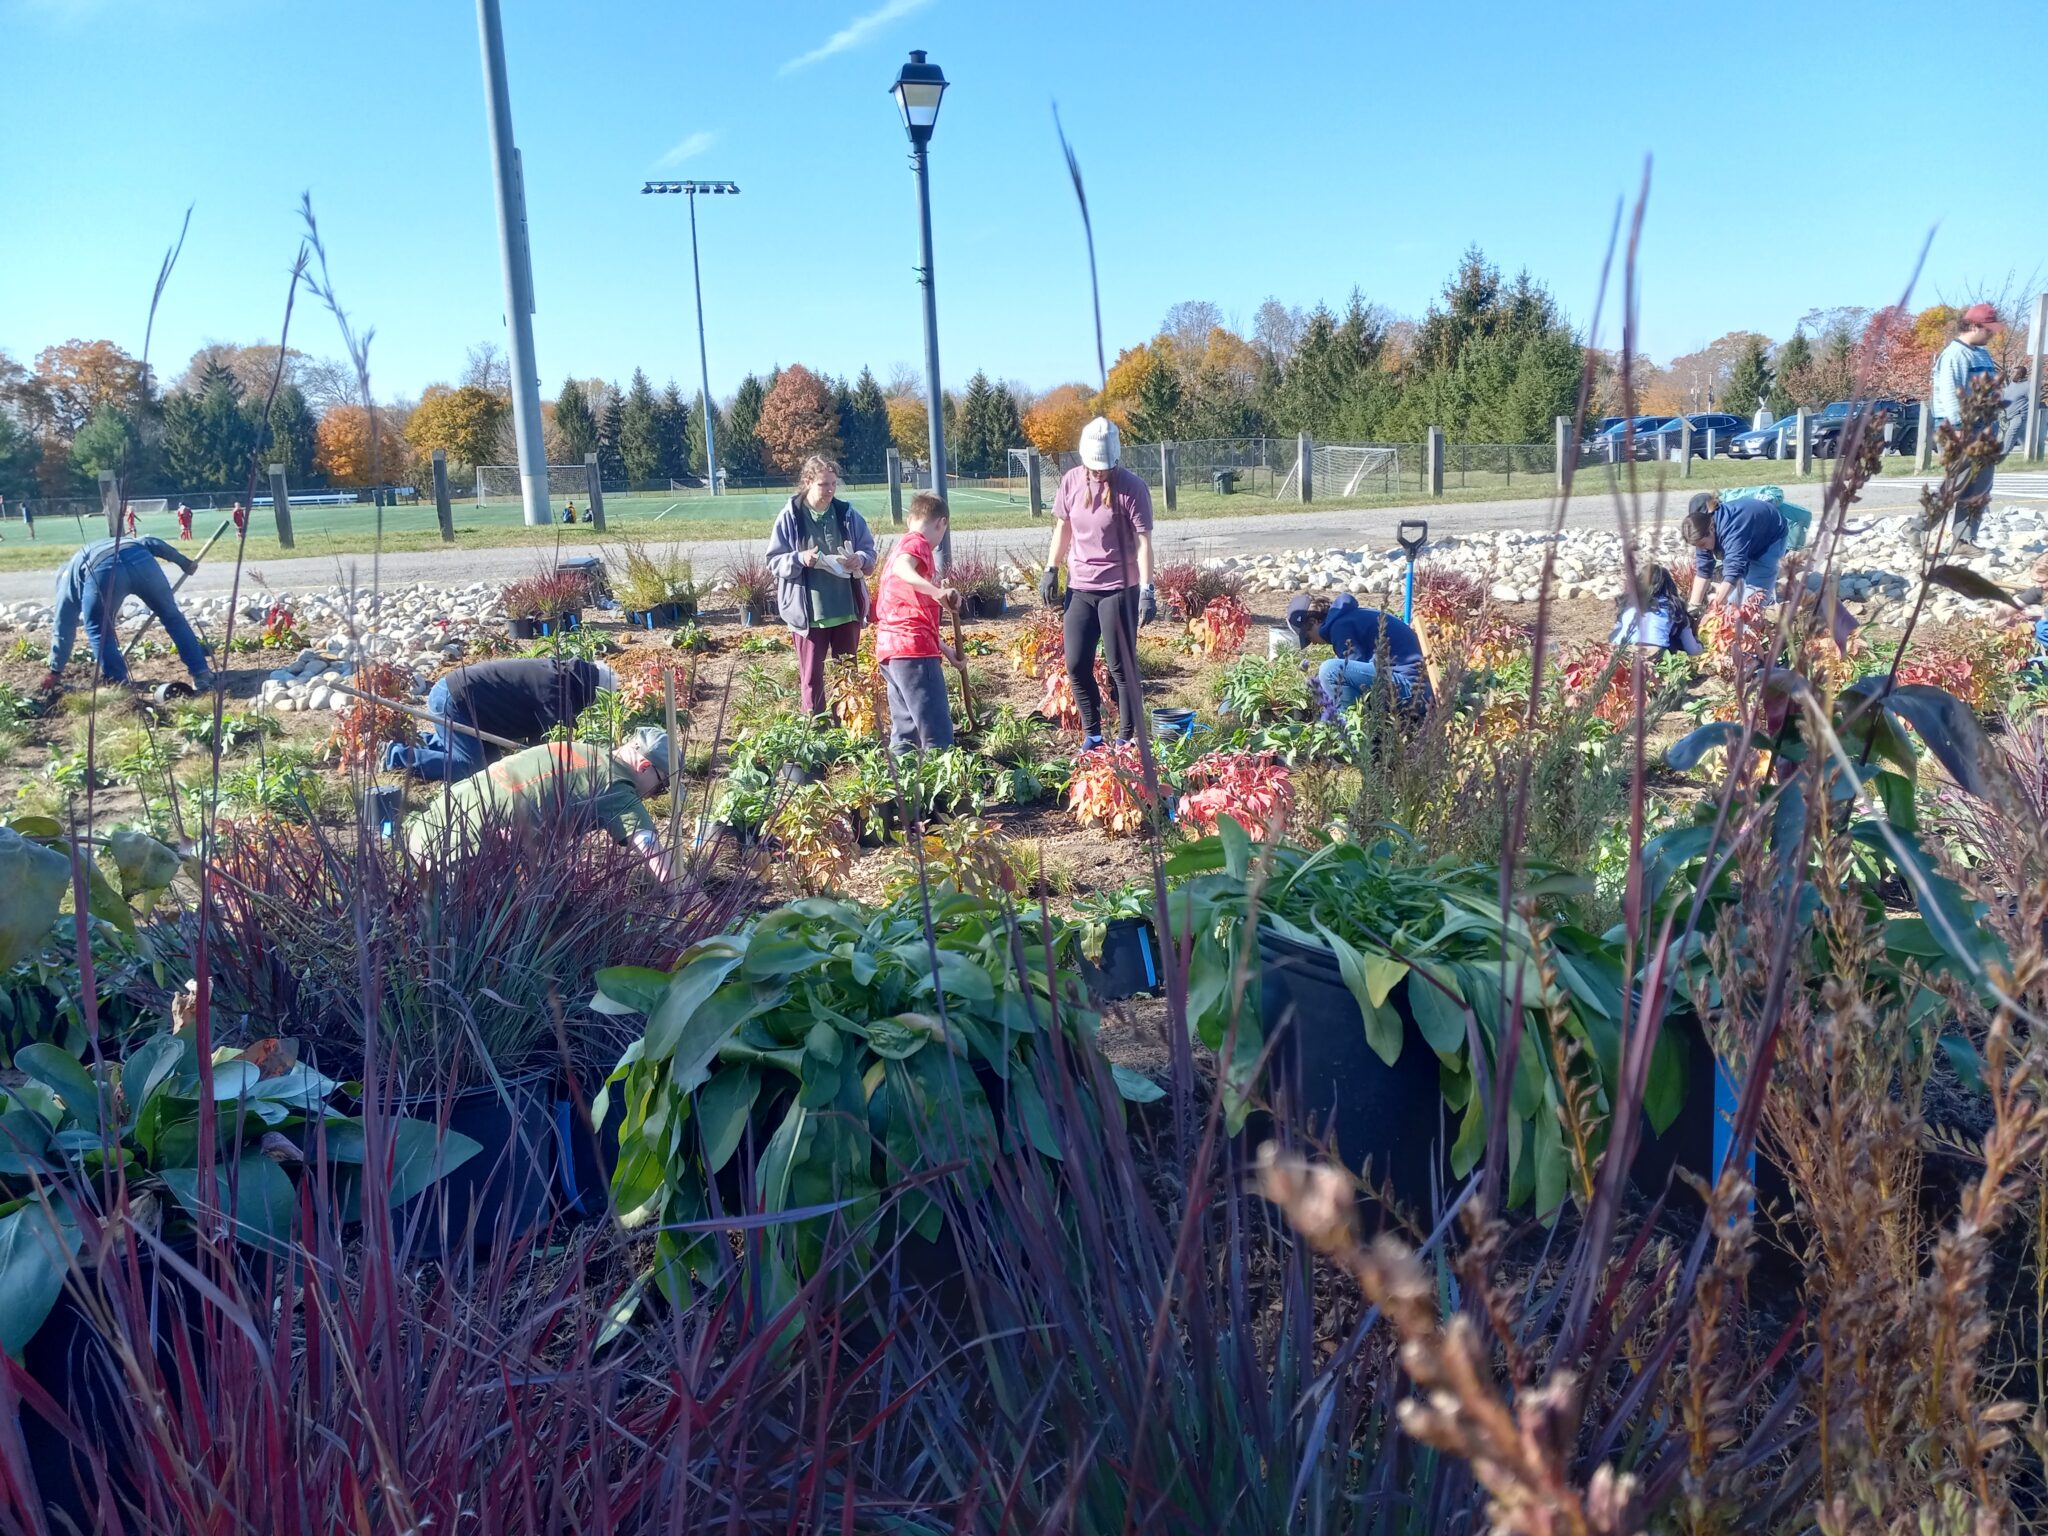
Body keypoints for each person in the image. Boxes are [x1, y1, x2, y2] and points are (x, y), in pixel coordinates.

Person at [404, 727, 674, 881]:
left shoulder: (581, 750)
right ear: (644, 765)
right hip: (456, 856)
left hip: (428, 827)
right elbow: (653, 851)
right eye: (661, 787)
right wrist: (695, 910)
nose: (653, 796)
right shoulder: (616, 785)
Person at [1040, 417, 1155, 748]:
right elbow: (1064, 527)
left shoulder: (1132, 488)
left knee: (1121, 667)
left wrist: (1147, 590)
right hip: (1081, 587)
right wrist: (1052, 567)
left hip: (1119, 589)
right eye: (1093, 466)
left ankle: (1127, 738)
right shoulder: (1071, 481)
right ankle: (1093, 734)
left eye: (1104, 467)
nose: (1098, 472)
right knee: (1076, 664)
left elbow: (1143, 542)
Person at [381, 656, 619, 781]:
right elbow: (546, 749)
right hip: (455, 701)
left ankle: (418, 740)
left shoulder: (561, 674)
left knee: (493, 766)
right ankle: (396, 755)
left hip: (464, 701)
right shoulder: (556, 693)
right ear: (591, 692)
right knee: (473, 769)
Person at [766, 454, 878, 717]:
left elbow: (869, 554)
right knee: (811, 679)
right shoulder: (791, 516)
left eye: (833, 484)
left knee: (848, 675)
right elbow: (773, 560)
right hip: (811, 616)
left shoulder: (847, 514)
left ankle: (850, 727)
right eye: (823, 484)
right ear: (807, 482)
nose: (829, 490)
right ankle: (815, 731)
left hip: (846, 609)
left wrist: (859, 559)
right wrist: (800, 558)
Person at [41, 534, 213, 693]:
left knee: (98, 630)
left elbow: (63, 625)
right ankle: (201, 673)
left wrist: (55, 670)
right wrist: (184, 562)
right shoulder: (109, 544)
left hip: (103, 572)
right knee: (172, 617)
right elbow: (152, 542)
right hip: (142, 560)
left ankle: (119, 684)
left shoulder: (67, 581)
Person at [873, 492, 962, 755]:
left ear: (911, 518)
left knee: (906, 732)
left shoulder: (901, 544)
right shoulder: (918, 543)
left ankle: (903, 792)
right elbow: (903, 568)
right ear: (941, 523)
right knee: (937, 733)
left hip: (892, 651)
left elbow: (910, 611)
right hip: (912, 651)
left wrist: (947, 652)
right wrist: (937, 593)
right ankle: (943, 793)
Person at [1931, 303, 2003, 553]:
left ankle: (1963, 539)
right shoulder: (1955, 354)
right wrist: (1959, 426)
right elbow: (1952, 393)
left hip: (1983, 427)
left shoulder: (1981, 353)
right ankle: (1919, 528)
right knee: (1957, 484)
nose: (1992, 334)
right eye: (1988, 329)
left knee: (1980, 484)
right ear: (1973, 326)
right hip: (1959, 428)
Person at [1286, 592, 1431, 713]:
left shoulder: (1341, 626)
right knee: (1331, 675)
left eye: (1308, 637)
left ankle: (1351, 734)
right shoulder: (1349, 618)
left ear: (1314, 621)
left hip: (1411, 689)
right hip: (1415, 686)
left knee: (1330, 670)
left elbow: (1354, 682)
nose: (1314, 643)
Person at [1683, 490, 1788, 609]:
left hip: (1770, 536)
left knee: (1752, 600)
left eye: (1702, 544)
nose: (1701, 548)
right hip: (1748, 534)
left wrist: (1715, 609)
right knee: (1732, 602)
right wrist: (1693, 606)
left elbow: (1734, 570)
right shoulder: (1703, 530)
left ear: (1711, 529)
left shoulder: (1732, 529)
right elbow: (1703, 569)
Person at [1611, 565, 1704, 655]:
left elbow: (1615, 634)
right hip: (1654, 655)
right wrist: (1701, 646)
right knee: (1673, 636)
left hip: (1623, 652)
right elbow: (1693, 650)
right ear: (1669, 586)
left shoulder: (1628, 603)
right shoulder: (1673, 608)